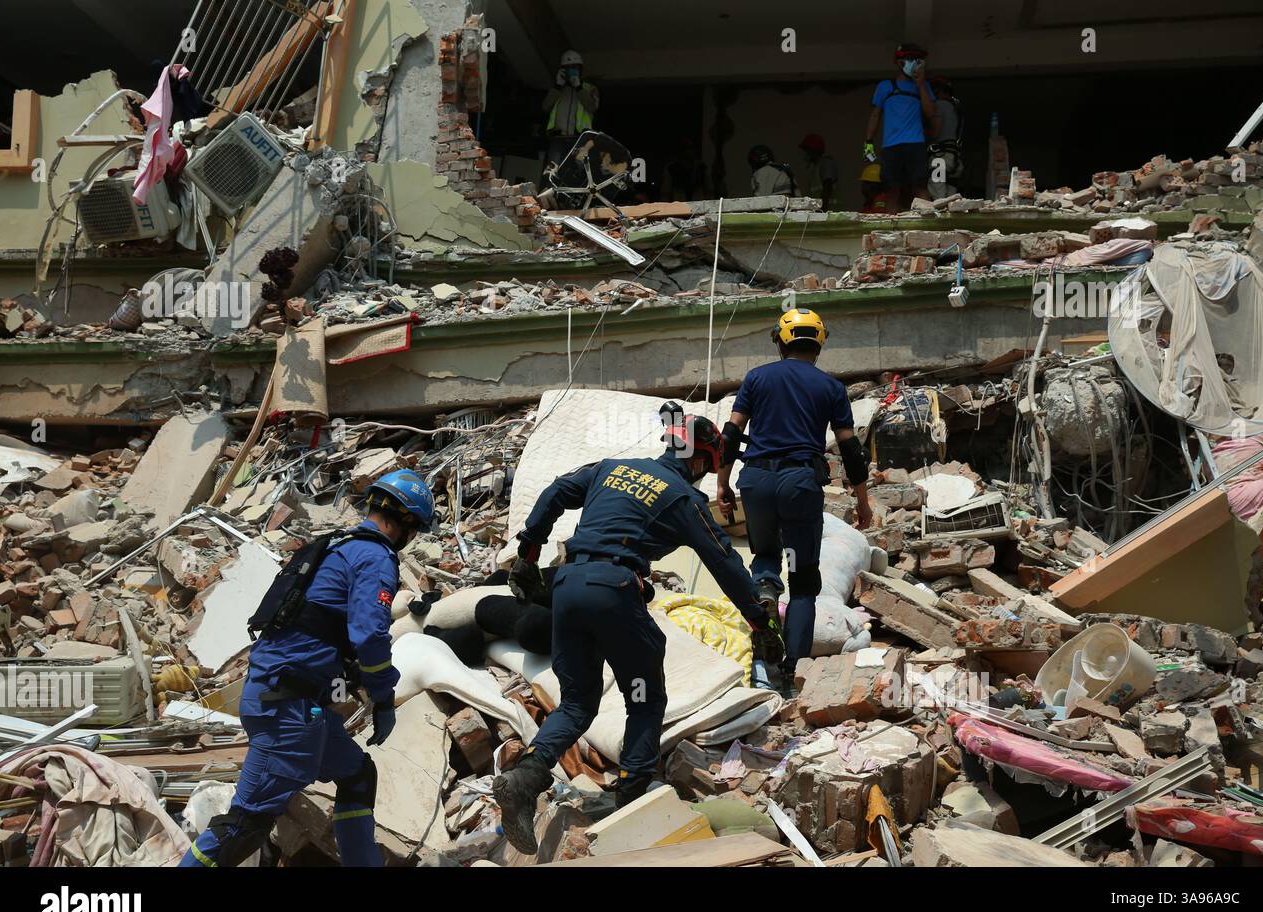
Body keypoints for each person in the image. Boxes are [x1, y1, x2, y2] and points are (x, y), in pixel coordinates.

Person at [492, 410, 783, 854]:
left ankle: (525, 778)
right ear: (703, 460)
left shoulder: (611, 467)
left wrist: (529, 554)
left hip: (567, 585)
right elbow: (723, 562)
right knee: (646, 698)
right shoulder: (684, 498)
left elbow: (554, 491)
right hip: (615, 589)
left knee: (577, 702)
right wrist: (761, 623)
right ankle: (631, 799)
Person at [180, 470, 434, 867]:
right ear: (407, 524)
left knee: (356, 776)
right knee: (245, 823)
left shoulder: (336, 545)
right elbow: (369, 637)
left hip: (294, 701)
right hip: (289, 710)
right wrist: (384, 697)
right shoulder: (376, 556)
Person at [715, 309, 873, 694]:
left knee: (765, 556)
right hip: (799, 485)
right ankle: (791, 671)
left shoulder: (756, 378)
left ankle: (766, 590)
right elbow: (851, 449)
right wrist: (863, 500)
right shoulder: (831, 388)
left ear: (780, 341)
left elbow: (732, 432)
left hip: (756, 482)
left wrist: (722, 482)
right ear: (818, 344)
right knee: (803, 583)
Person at [864, 42, 938, 213]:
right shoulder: (885, 86)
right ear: (899, 62)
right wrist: (868, 142)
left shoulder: (923, 86)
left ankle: (927, 230)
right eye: (910, 59)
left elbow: (930, 112)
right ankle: (892, 232)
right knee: (891, 190)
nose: (915, 63)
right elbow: (875, 114)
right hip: (891, 147)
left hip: (916, 144)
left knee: (920, 188)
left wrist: (920, 85)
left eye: (917, 60)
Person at [542, 50, 600, 184]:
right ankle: (549, 199)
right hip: (558, 138)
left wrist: (578, 87)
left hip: (580, 139)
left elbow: (592, 107)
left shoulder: (590, 88)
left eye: (574, 68)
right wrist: (557, 85)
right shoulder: (558, 89)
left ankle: (577, 200)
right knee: (551, 171)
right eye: (567, 69)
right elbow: (545, 106)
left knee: (580, 170)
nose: (571, 71)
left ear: (580, 69)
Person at [927, 75, 963, 199]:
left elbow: (935, 132)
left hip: (940, 158)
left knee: (938, 198)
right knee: (950, 200)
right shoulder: (955, 108)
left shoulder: (939, 105)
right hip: (954, 158)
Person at [798, 133, 839, 211]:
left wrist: (821, 210)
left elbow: (827, 187)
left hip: (830, 213)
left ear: (813, 150)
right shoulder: (815, 167)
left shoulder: (826, 163)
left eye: (806, 150)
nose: (804, 154)